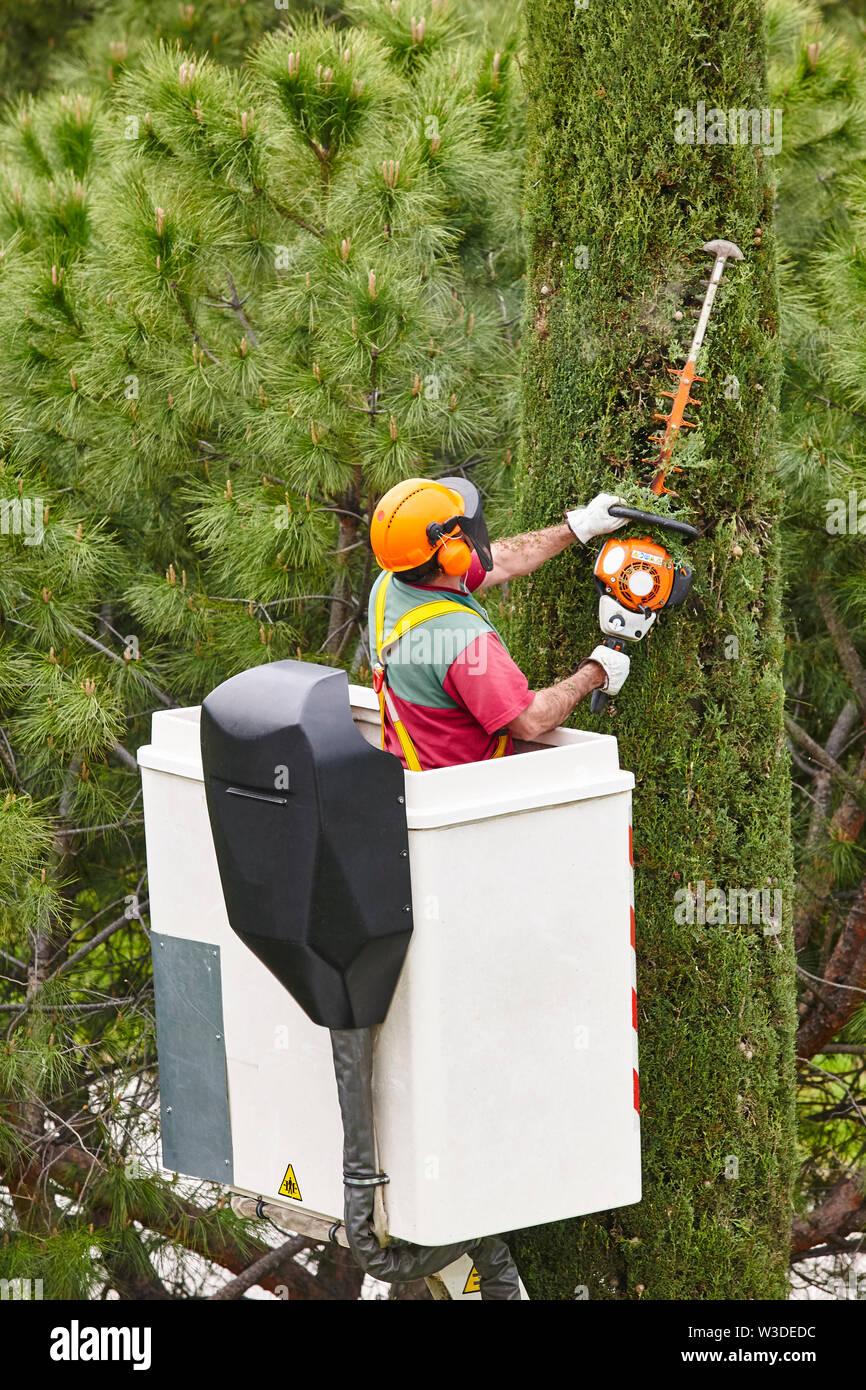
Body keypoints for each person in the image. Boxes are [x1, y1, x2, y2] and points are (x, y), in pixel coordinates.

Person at [367, 477, 631, 771]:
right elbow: (530, 721)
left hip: (409, 776)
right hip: (466, 796)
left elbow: (503, 560)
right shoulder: (464, 642)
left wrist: (577, 527)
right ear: (451, 556)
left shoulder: (391, 584)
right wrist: (595, 672)